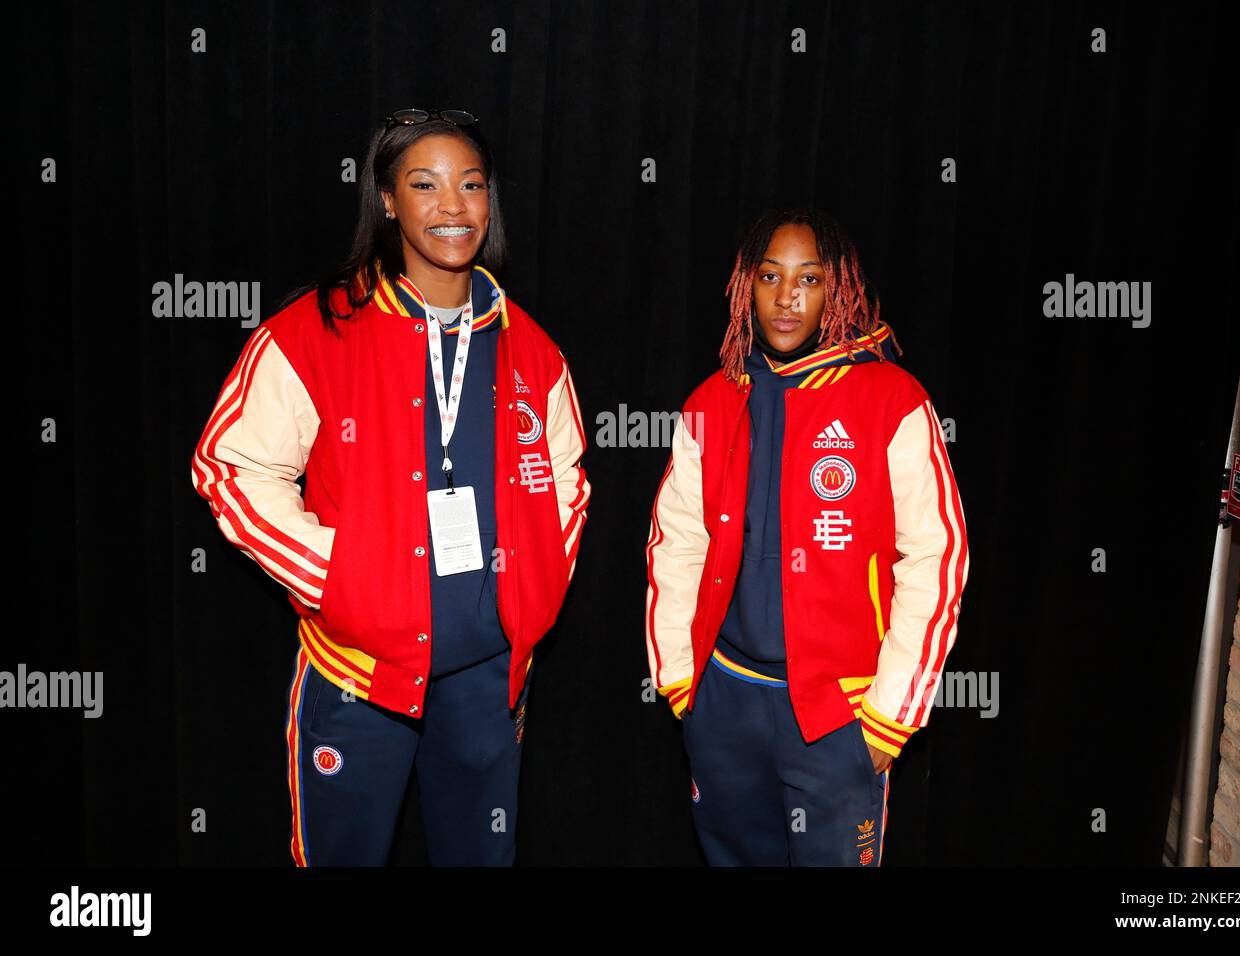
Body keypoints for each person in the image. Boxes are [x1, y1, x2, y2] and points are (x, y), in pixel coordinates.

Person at [192, 108, 591, 866]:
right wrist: (335, 577)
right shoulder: (317, 330)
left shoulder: (531, 347)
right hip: (358, 671)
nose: (452, 206)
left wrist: (531, 595)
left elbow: (567, 480)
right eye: (425, 184)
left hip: (486, 676)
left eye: (471, 185)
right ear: (385, 199)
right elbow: (230, 465)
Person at [644, 207, 969, 866]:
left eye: (808, 279)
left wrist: (890, 717)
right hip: (726, 703)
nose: (786, 297)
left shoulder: (892, 400)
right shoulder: (711, 401)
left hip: (836, 716)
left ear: (837, 290)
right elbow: (675, 544)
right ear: (746, 288)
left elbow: (937, 559)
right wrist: (682, 679)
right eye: (770, 276)